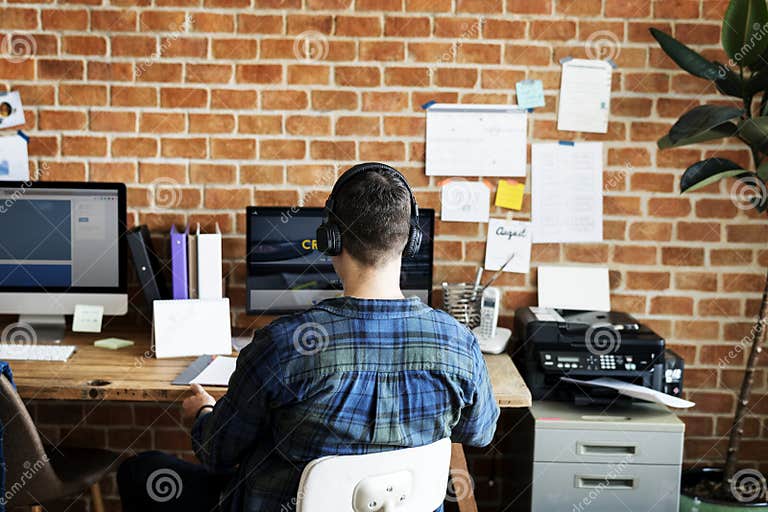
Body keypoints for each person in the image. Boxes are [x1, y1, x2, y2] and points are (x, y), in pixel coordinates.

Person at [117, 162, 500, 512]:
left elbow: (218, 452)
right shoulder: (458, 345)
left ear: (330, 240)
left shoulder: (284, 345)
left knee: (142, 470)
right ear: (410, 241)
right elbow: (479, 433)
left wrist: (201, 412)